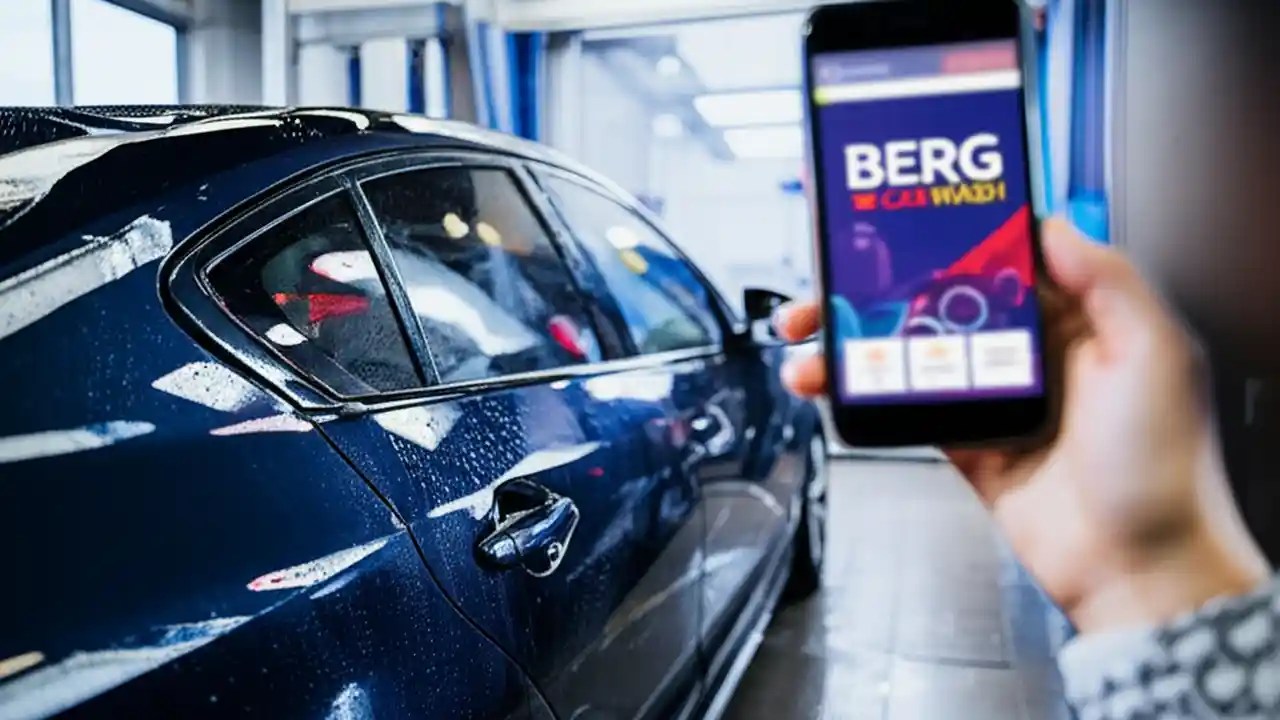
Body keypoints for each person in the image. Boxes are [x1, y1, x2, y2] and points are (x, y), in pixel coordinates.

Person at [775, 218, 1278, 719]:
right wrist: (1154, 574)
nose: (865, 252)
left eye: (873, 242)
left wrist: (1137, 574)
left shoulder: (914, 301)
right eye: (854, 242)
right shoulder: (865, 315)